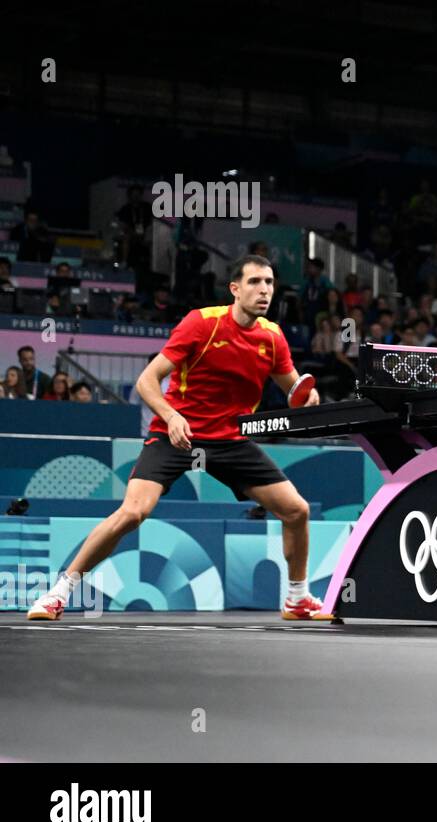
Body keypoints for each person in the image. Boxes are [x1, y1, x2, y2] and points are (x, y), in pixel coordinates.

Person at [27, 255, 332, 622]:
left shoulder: (273, 336)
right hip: (177, 433)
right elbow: (146, 381)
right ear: (234, 289)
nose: (264, 289)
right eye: (254, 282)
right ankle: (59, 592)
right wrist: (171, 416)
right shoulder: (201, 324)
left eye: (269, 282)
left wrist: (305, 397)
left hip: (230, 440)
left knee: (296, 510)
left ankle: (297, 599)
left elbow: (292, 389)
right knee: (133, 513)